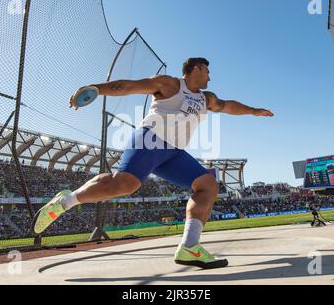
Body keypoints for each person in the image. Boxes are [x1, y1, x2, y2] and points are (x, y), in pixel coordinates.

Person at [32, 57, 274, 269]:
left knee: (208, 185)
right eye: (208, 71)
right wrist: (95, 88)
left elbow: (228, 106)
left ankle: (190, 247)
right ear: (196, 68)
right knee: (124, 185)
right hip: (151, 139)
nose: (210, 76)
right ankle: (65, 201)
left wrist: (253, 111)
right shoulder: (170, 84)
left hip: (174, 153)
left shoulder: (206, 98)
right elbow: (131, 86)